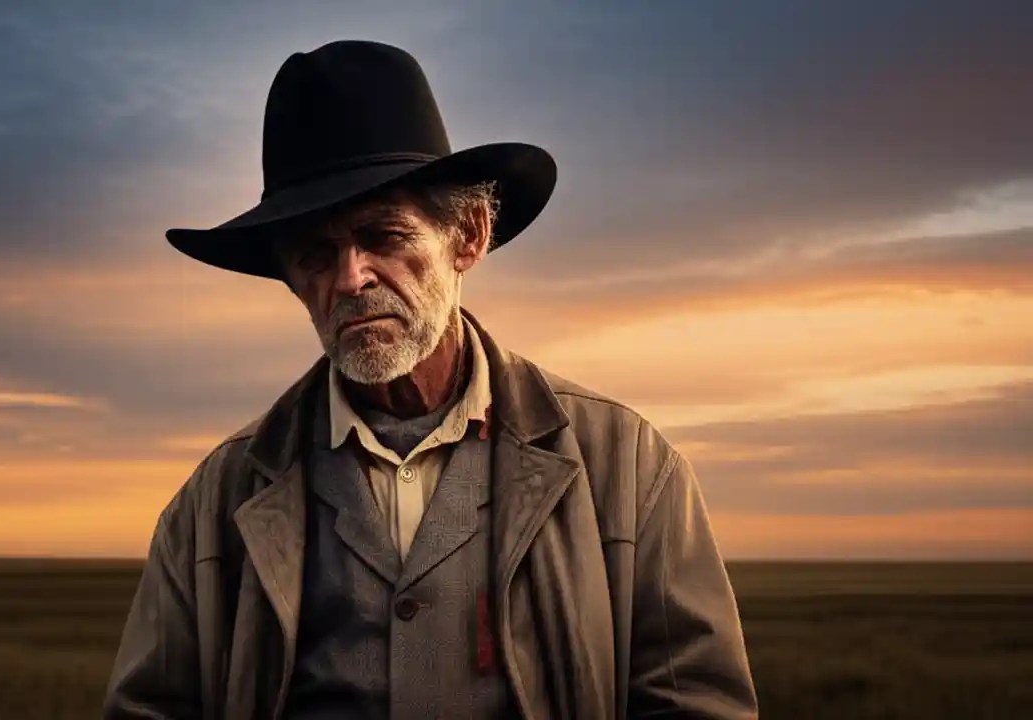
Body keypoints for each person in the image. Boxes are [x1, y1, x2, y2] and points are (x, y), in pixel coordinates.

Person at [103, 39, 758, 720]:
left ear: (468, 235)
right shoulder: (214, 503)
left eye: (383, 236)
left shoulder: (627, 468)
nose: (350, 279)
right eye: (315, 255)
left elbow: (694, 705)